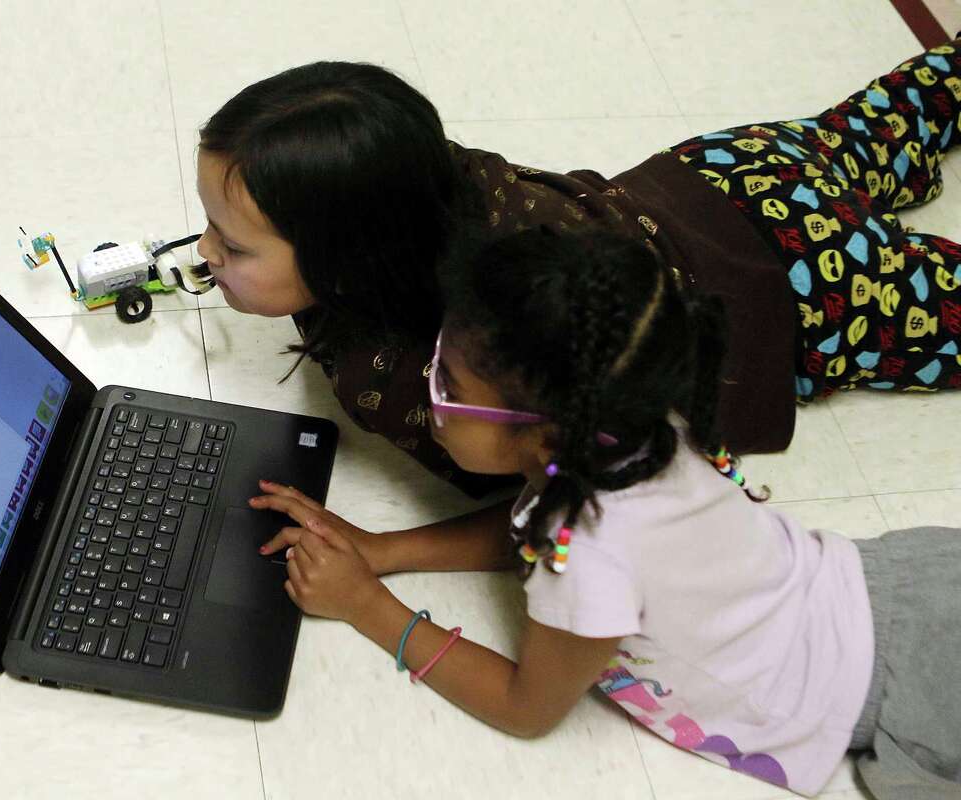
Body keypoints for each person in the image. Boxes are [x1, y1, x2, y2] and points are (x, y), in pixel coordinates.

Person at [247, 226, 961, 799]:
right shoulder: (634, 428)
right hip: (896, 588)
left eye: (447, 382)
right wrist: (385, 549)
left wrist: (369, 606)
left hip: (913, 695)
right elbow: (532, 519)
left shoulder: (590, 561)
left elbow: (527, 708)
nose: (430, 394)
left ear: (543, 429)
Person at [194, 37, 961, 501]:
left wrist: (384, 559)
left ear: (350, 257)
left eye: (232, 246)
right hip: (723, 174)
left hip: (808, 286)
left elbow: (557, 503)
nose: (204, 253)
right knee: (890, 113)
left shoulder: (445, 360)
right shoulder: (420, 179)